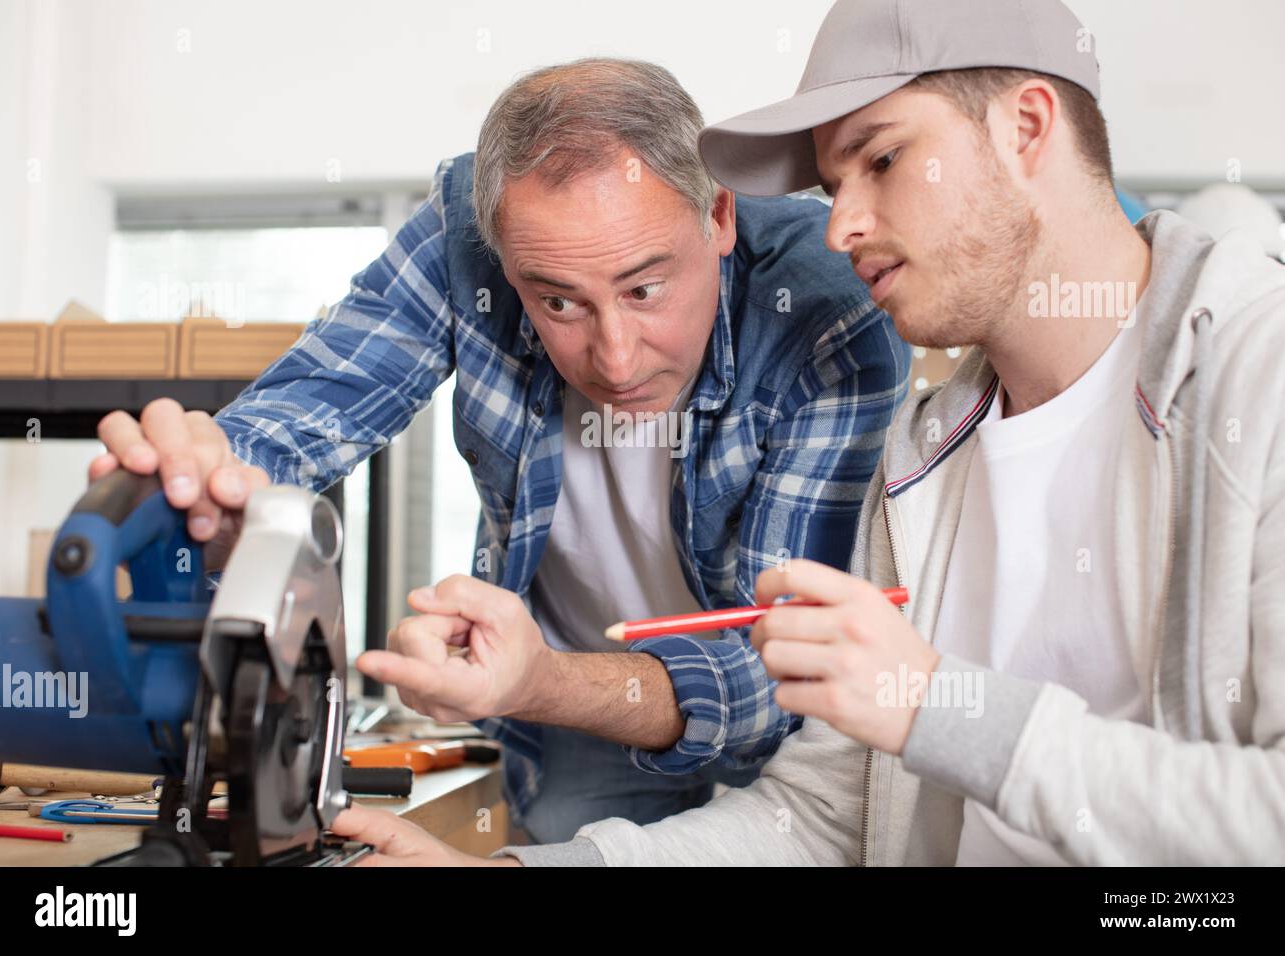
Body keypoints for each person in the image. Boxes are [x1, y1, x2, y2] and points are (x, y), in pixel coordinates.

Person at [333, 0, 1285, 866]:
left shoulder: (1261, 377)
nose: (841, 228)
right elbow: (826, 815)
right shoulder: (923, 461)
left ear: (1027, 126)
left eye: (880, 160)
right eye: (834, 184)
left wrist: (935, 707)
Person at [89, 57, 909, 844]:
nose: (616, 360)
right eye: (558, 301)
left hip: (775, 721)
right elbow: (314, 409)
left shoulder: (829, 313)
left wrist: (538, 680)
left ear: (720, 216)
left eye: (644, 289)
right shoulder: (466, 229)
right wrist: (210, 476)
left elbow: (789, 666)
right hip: (582, 694)